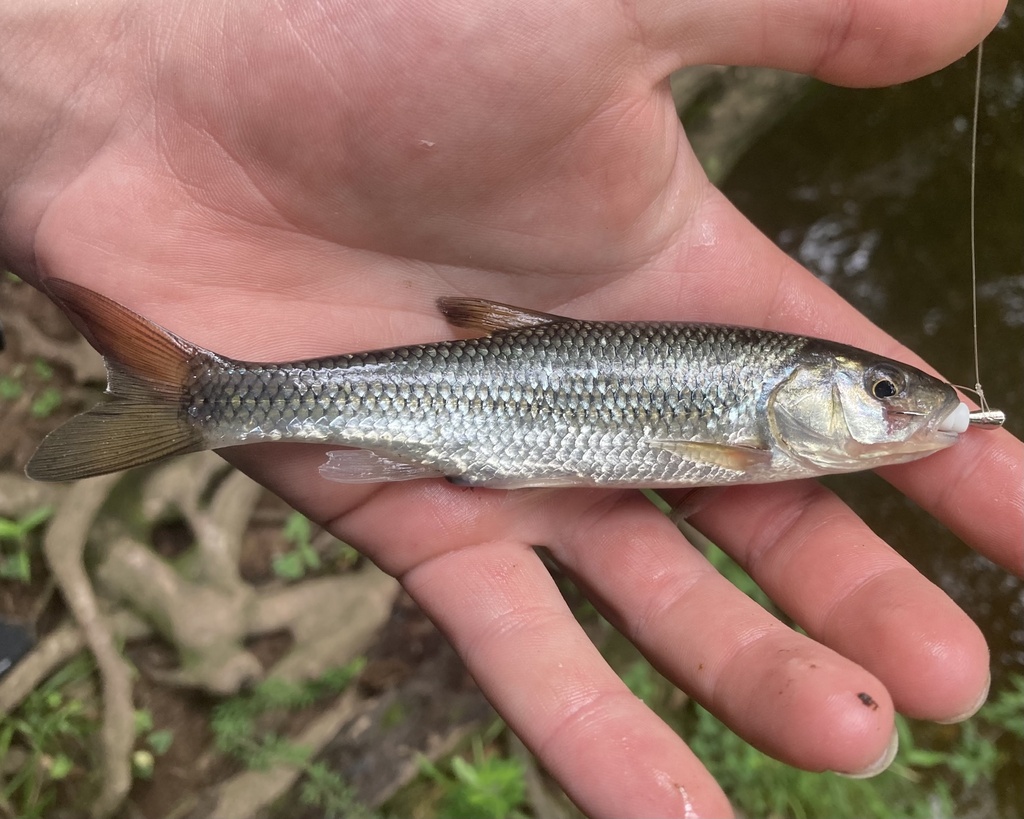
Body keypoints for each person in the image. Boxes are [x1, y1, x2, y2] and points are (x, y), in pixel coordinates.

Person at [2, 0, 1020, 815]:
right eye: (883, 395)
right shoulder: (740, 437)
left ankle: (202, 398)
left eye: (888, 397)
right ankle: (199, 396)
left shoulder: (758, 432)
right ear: (803, 393)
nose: (896, 409)